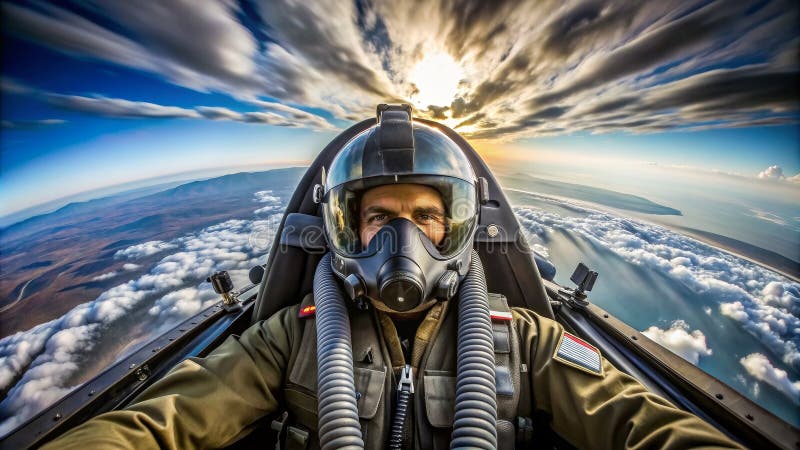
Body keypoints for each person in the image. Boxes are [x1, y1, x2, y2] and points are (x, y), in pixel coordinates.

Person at [43, 105, 743, 450]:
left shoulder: (523, 339)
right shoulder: (291, 338)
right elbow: (158, 425)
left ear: (458, 225)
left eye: (425, 217)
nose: (404, 240)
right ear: (346, 227)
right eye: (380, 217)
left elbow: (643, 424)